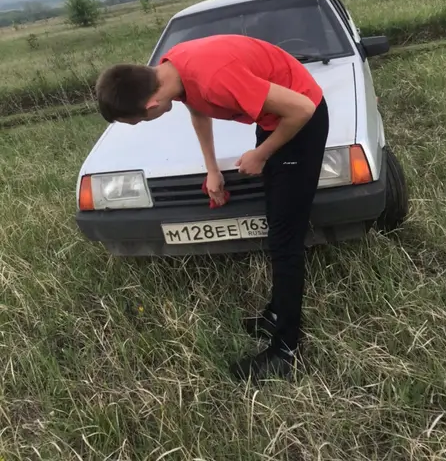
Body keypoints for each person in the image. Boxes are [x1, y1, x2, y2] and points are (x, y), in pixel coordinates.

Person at [95, 34, 329, 382]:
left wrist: (261, 154)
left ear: (152, 105)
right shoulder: (172, 70)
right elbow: (199, 111)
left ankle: (286, 350)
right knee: (277, 223)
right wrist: (212, 170)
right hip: (275, 119)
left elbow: (302, 109)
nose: (144, 123)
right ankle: (276, 315)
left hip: (300, 120)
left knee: (285, 242)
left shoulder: (215, 78)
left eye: (139, 121)